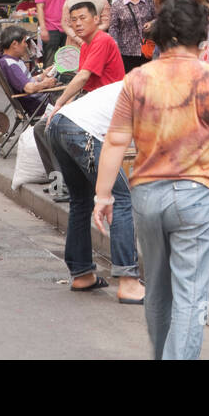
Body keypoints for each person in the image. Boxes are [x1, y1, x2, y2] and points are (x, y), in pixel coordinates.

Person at [93, 0, 209, 359]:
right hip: (196, 196)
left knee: (157, 289)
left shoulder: (137, 79)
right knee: (190, 294)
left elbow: (116, 140)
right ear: (200, 35)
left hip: (147, 196)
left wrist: (103, 195)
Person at [48, 81, 144, 303]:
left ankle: (82, 274)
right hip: (83, 132)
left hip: (58, 125)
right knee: (120, 199)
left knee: (80, 201)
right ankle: (129, 282)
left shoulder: (138, 81)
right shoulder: (155, 90)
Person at [45, 0, 124, 122]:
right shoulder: (86, 44)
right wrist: (64, 105)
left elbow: (82, 77)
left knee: (54, 125)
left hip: (105, 102)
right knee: (46, 125)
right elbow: (82, 83)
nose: (78, 24)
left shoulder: (102, 40)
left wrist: (60, 103)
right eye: (74, 20)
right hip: (92, 98)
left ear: (96, 19)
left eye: (82, 18)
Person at [0, 24, 59, 117]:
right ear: (14, 44)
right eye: (24, 42)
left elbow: (24, 81)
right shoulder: (11, 64)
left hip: (41, 100)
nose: (26, 45)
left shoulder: (11, 60)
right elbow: (29, 88)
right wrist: (46, 84)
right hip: (40, 104)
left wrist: (42, 76)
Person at [109, 0, 156, 72]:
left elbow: (159, 18)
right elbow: (113, 28)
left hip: (147, 50)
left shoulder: (149, 1)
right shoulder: (117, 5)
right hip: (126, 52)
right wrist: (115, 45)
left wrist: (152, 23)